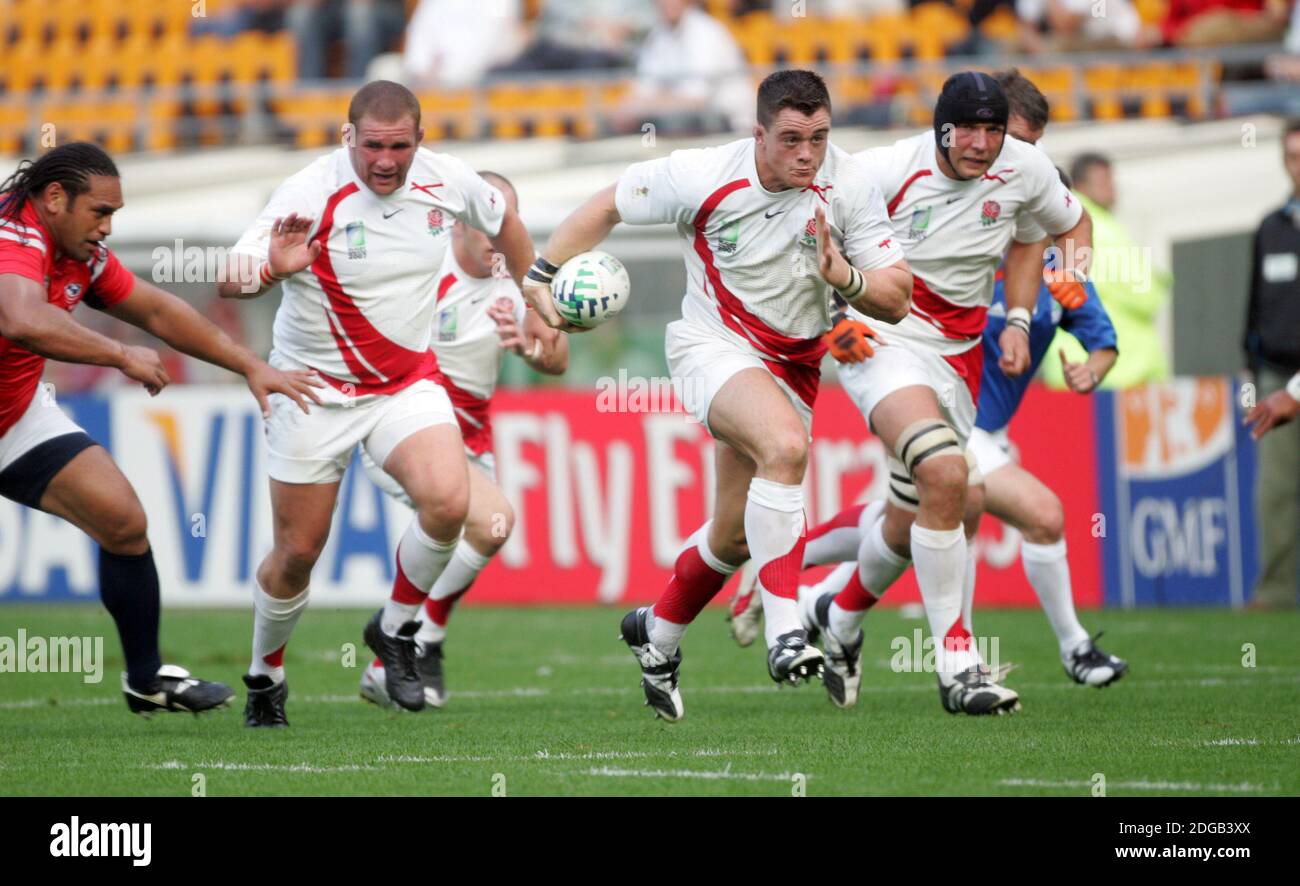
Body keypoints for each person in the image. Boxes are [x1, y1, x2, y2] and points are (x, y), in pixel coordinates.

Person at [523, 70, 913, 721]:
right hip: (713, 347)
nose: (807, 154)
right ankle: (789, 629)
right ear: (757, 133)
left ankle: (658, 634)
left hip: (796, 363)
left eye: (818, 137)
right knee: (785, 449)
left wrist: (841, 274)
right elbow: (610, 202)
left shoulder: (849, 184)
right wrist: (542, 273)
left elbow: (896, 297)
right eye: (790, 139)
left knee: (732, 539)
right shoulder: (701, 174)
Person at [737, 70, 1127, 694]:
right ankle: (958, 664)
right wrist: (832, 317)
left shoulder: (1025, 168)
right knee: (948, 475)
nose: (980, 143)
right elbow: (809, 230)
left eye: (993, 131)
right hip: (876, 338)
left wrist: (1032, 310)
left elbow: (1057, 231)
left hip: (960, 356)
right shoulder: (886, 169)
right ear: (940, 128)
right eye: (966, 129)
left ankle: (833, 611)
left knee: (911, 514)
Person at [219, 80, 535, 726]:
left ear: (421, 139)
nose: (385, 161)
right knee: (298, 552)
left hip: (404, 384)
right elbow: (231, 274)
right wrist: (274, 268)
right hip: (311, 389)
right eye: (372, 147)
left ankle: (394, 632)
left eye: (399, 146)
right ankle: (265, 674)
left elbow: (508, 225)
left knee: (450, 501)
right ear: (347, 138)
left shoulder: (448, 180)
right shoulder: (311, 192)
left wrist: (539, 296)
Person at [0, 142, 321, 716]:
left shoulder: (78, 252)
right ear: (54, 199)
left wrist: (251, 364)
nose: (107, 228)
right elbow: (21, 319)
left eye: (114, 214)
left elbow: (157, 311)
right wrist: (120, 355)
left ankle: (146, 678)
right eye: (100, 212)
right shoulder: (14, 236)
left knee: (122, 522)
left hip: (14, 415)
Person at [357, 172, 569, 708]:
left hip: (473, 439)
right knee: (486, 517)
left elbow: (558, 358)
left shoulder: (522, 278)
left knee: (490, 529)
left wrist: (525, 348)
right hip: (407, 433)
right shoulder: (423, 270)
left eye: (510, 221)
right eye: (491, 222)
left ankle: (406, 648)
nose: (502, 234)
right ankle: (416, 642)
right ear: (460, 224)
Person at [1044, 152, 1172, 389]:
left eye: (1112, 180)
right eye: (1103, 181)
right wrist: (1158, 280)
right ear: (1081, 185)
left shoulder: (1074, 224)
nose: (1112, 188)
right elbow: (1146, 295)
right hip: (1115, 373)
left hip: (1080, 366)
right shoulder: (1097, 228)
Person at [1242, 119, 1300, 608]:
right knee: (1277, 491)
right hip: (1279, 374)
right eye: (1291, 157)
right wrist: (1251, 361)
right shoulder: (1272, 226)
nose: (1297, 167)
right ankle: (1277, 593)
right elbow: (1255, 303)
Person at [609, 0, 754, 134]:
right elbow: (645, 87)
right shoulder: (659, 34)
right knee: (613, 120)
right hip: (693, 120)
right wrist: (631, 106)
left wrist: (642, 106)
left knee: (669, 123)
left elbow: (695, 100)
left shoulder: (705, 32)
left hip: (729, 124)